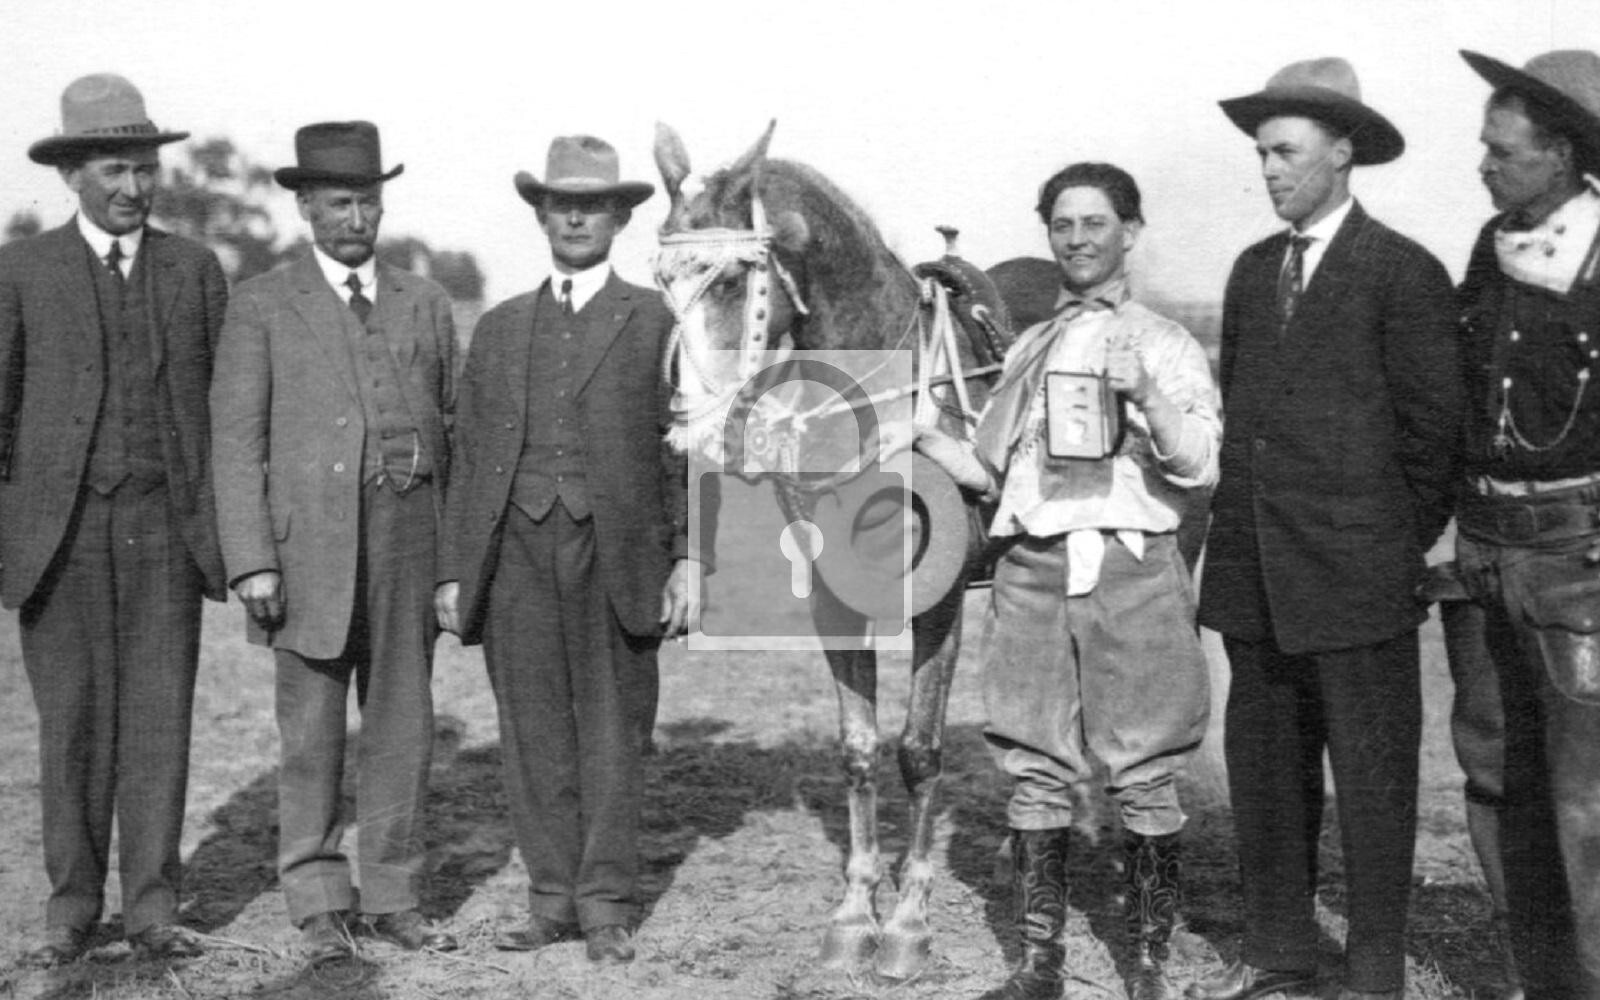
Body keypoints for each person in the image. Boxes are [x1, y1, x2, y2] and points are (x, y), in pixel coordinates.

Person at [914, 161, 1220, 1000]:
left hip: (1131, 566)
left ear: (1130, 230)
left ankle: (1151, 968)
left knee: (1146, 767)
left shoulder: (1163, 340)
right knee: (1035, 762)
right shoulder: (1029, 346)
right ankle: (1039, 966)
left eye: (1094, 223)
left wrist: (1148, 394)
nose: (1078, 239)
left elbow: (1198, 465)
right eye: (1063, 225)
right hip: (1032, 568)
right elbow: (987, 472)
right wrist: (917, 436)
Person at [1191, 58, 1463, 1000]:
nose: (1268, 170)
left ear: (1343, 155)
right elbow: (1241, 415)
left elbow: (1434, 442)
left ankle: (1375, 969)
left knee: (1375, 780)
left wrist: (1382, 548)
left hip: (1359, 584)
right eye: (1261, 154)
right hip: (1253, 580)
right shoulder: (1252, 270)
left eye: (1286, 153)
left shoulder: (1404, 271)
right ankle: (1278, 955)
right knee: (1267, 779)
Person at [435, 135, 690, 964]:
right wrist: (453, 570)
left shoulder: (658, 320)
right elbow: (469, 453)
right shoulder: (503, 326)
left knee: (615, 732)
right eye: (561, 202)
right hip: (514, 554)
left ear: (619, 217)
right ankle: (551, 898)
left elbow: (684, 446)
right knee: (533, 729)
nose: (576, 215)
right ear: (541, 213)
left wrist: (687, 558)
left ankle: (607, 901)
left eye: (594, 204)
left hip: (620, 555)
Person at [210, 121, 457, 964]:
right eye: (340, 201)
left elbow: (450, 425)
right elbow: (237, 442)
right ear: (306, 206)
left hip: (407, 542)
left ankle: (392, 891)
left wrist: (451, 562)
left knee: (401, 725)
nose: (357, 216)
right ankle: (317, 895)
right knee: (310, 734)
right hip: (305, 551)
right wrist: (251, 559)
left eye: (369, 200)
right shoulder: (262, 304)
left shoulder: (422, 300)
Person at [0, 72, 228, 967]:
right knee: (72, 724)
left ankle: (152, 906)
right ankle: (71, 905)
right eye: (112, 171)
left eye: (144, 170)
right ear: (71, 177)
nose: (132, 188)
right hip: (58, 540)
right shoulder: (20, 273)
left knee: (159, 720)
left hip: (166, 534)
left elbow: (221, 406)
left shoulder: (194, 270)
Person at [1453, 47, 1600, 999]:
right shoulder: (1487, 247)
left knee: (1587, 797)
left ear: (1559, 153)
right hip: (1482, 551)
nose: (1484, 163)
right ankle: (1533, 979)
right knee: (1495, 773)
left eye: (1501, 149)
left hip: (1579, 558)